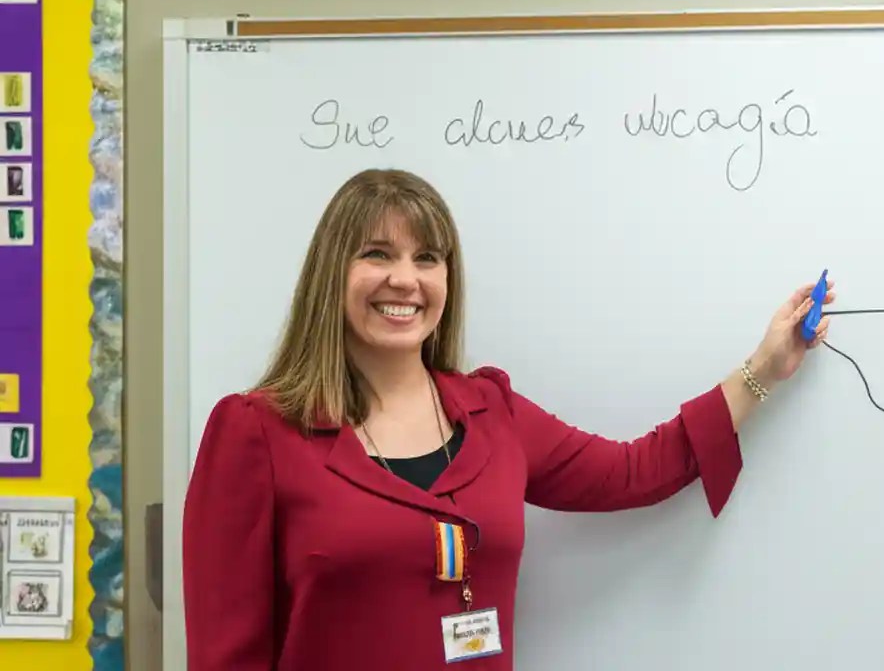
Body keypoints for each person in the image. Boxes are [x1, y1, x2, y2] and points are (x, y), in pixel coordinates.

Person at [182, 168, 834, 670]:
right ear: (332, 274)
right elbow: (224, 655)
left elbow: (636, 471)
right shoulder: (256, 433)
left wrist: (762, 368)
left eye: (427, 258)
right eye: (377, 254)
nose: (405, 279)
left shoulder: (491, 412)